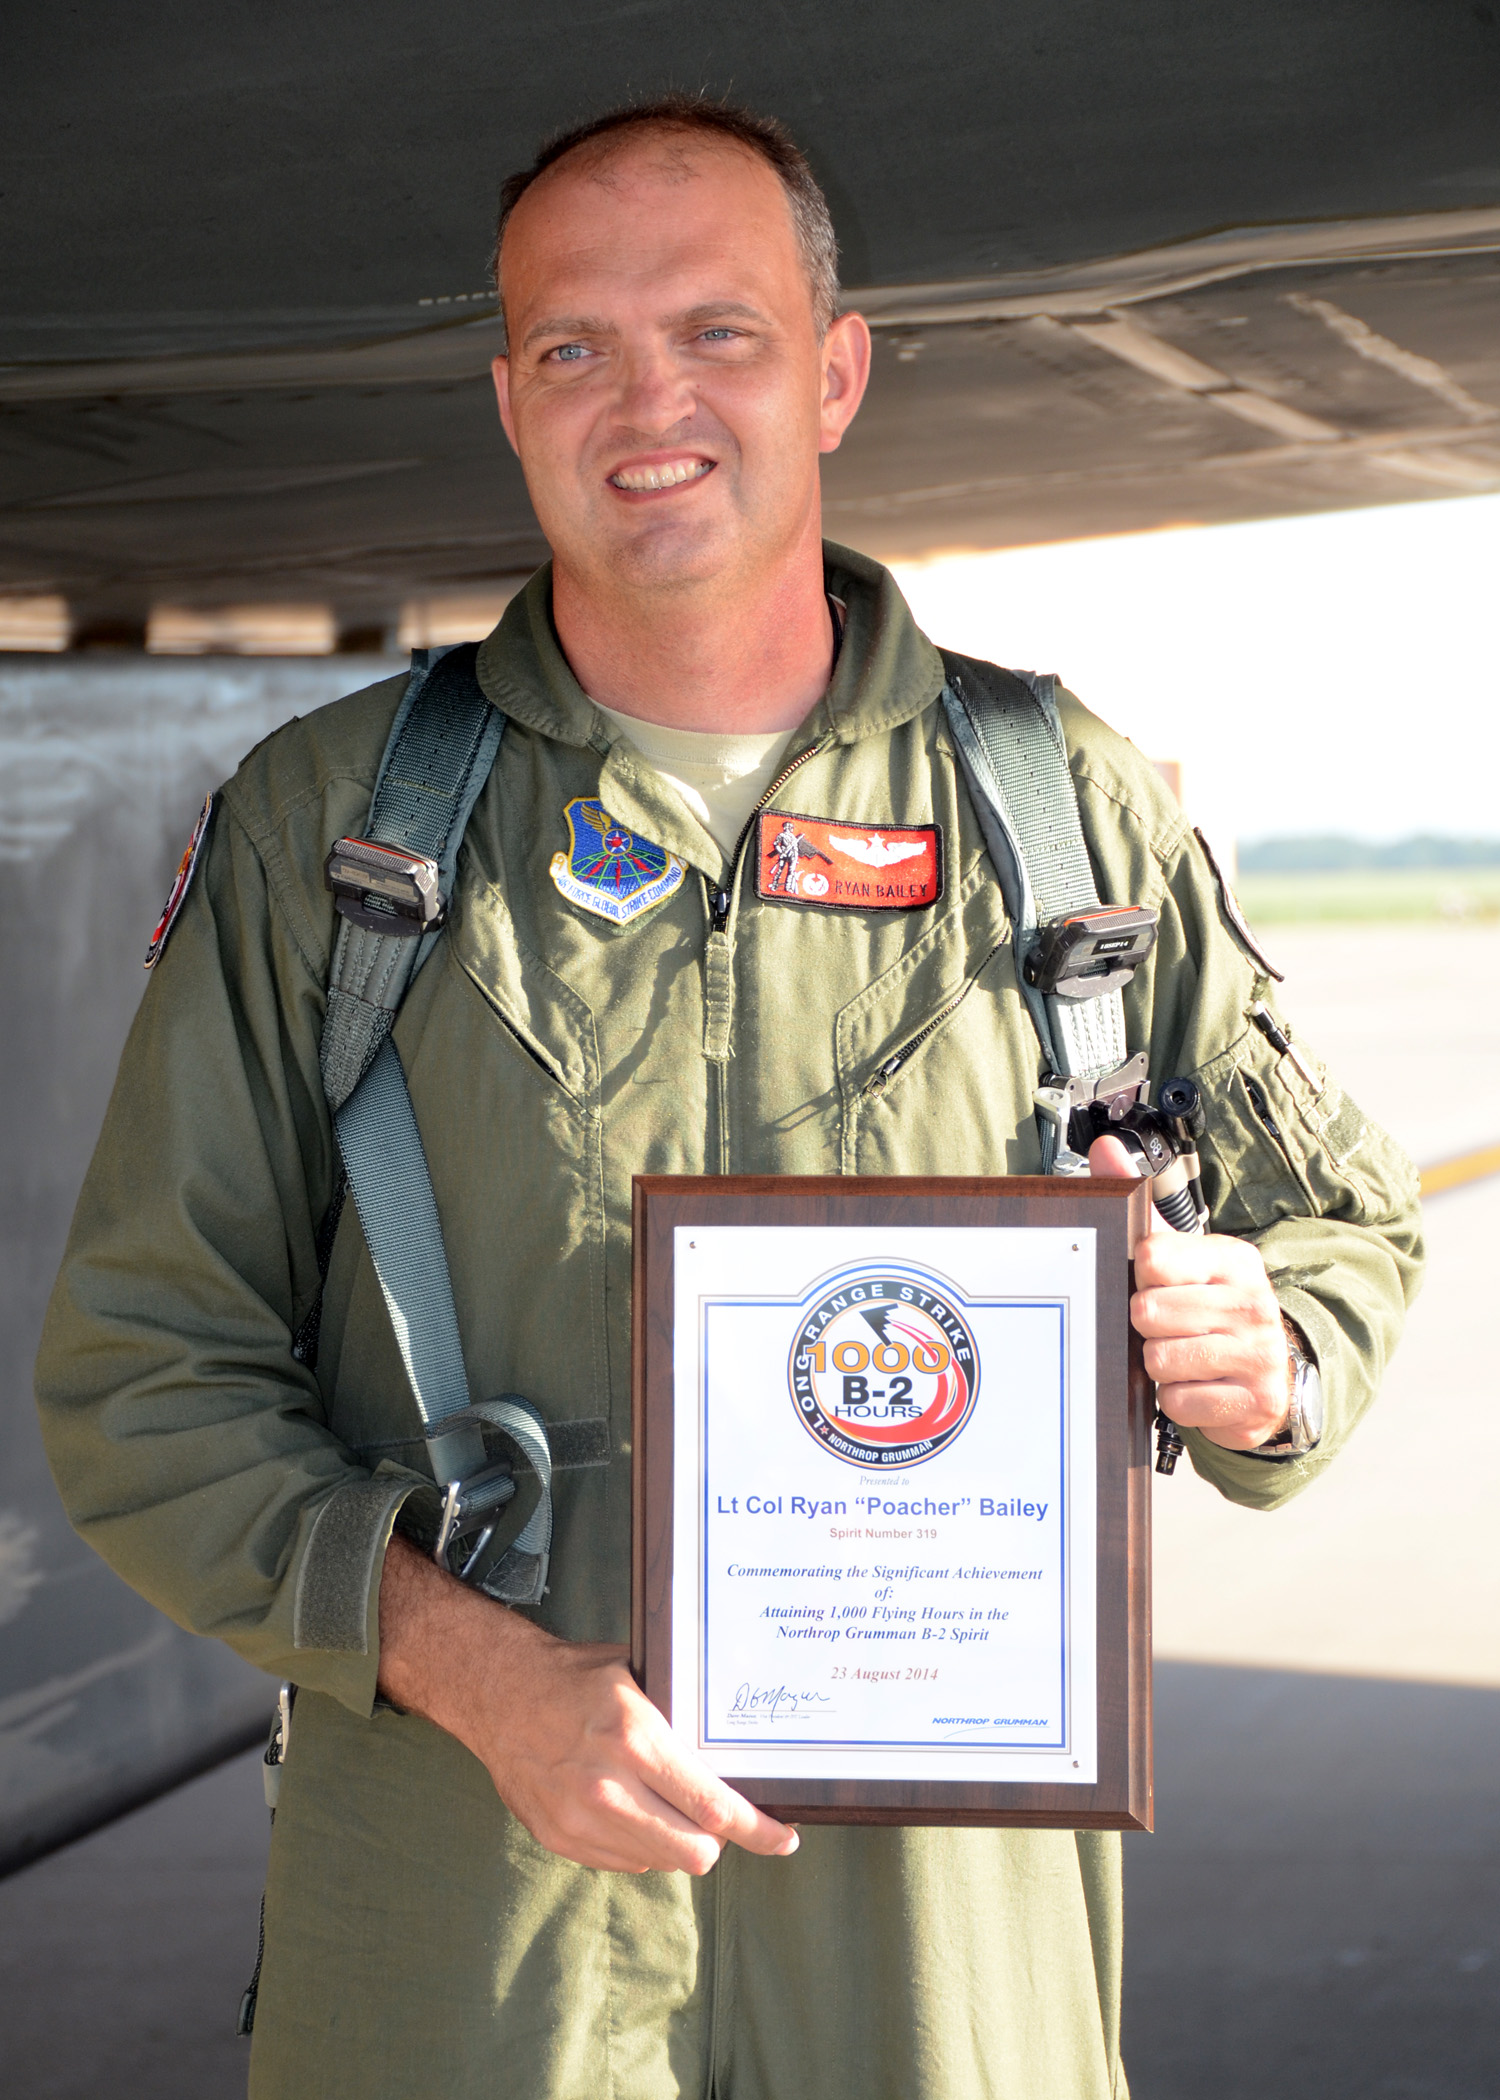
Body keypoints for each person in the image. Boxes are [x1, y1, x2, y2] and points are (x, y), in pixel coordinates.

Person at [35, 97, 1423, 2100]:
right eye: (576, 348)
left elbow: (1344, 1230)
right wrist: (473, 1671)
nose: (646, 402)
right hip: (475, 1940)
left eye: (720, 332)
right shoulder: (332, 834)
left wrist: (1263, 1350)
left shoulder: (1061, 811)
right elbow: (139, 1374)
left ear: (837, 372)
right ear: (509, 400)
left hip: (945, 1956)